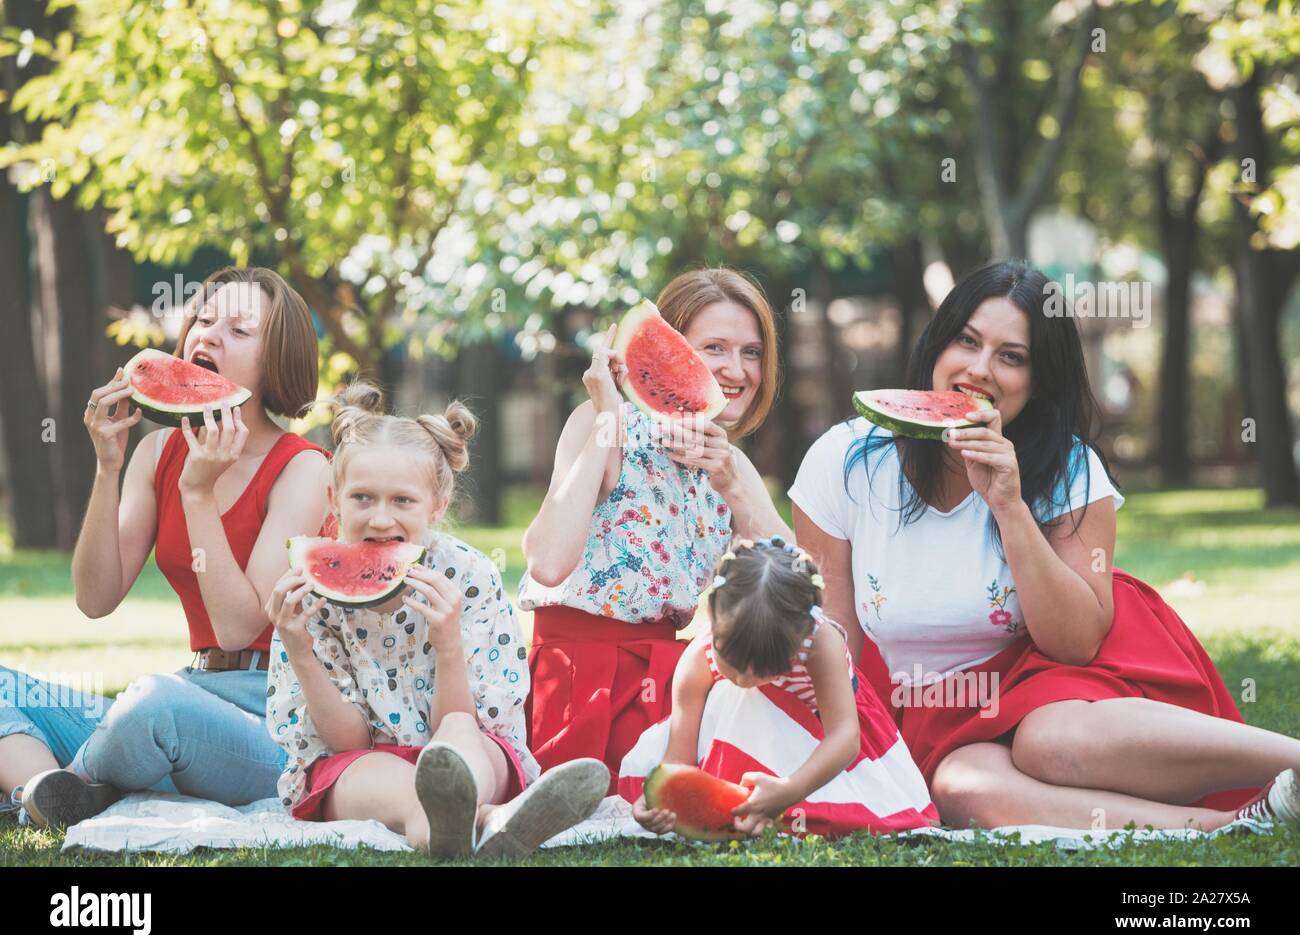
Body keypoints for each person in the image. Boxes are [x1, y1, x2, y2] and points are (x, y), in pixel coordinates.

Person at [790, 260, 1300, 831]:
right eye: (967, 340)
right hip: (937, 710)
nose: (979, 370)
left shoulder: (1071, 467)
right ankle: (1235, 823)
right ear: (937, 345)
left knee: (1045, 738)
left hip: (1066, 669)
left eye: (1012, 356)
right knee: (961, 789)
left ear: (1038, 380)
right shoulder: (846, 460)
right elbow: (834, 632)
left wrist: (1009, 504)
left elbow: (1076, 641)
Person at [2, 267, 331, 827]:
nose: (208, 335)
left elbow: (235, 628)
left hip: (274, 725)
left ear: (277, 357)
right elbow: (95, 598)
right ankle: (43, 793)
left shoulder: (303, 469)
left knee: (152, 703)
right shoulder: (158, 454)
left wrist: (198, 496)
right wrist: (109, 467)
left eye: (239, 329)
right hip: (189, 695)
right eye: (202, 319)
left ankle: (78, 785)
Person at [265, 383, 608, 859]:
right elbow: (347, 740)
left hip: (469, 753)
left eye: (402, 501)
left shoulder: (470, 575)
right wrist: (298, 648)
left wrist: (447, 642)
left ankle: (455, 821)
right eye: (362, 498)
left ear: (438, 504)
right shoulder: (309, 593)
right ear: (333, 498)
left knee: (460, 743)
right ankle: (488, 822)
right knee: (371, 773)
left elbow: (471, 719)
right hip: (363, 761)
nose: (381, 519)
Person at [517, 268, 792, 789]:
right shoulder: (602, 425)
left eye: (751, 352)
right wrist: (606, 416)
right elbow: (547, 563)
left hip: (673, 682)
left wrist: (733, 483)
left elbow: (797, 597)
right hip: (584, 679)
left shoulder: (731, 465)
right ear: (673, 352)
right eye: (715, 347)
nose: (736, 369)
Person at [622, 536, 938, 838]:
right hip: (735, 740)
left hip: (820, 751)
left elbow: (844, 737)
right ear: (713, 620)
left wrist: (791, 789)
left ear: (800, 642)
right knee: (733, 697)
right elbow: (679, 757)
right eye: (730, 660)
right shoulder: (697, 658)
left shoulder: (821, 644)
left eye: (766, 670)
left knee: (846, 816)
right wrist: (663, 800)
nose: (743, 678)